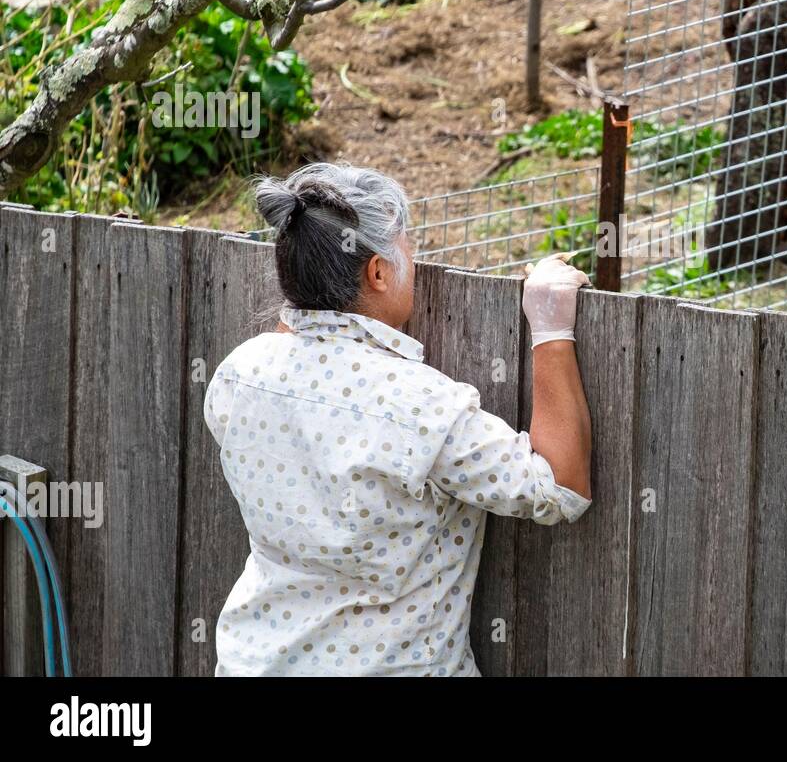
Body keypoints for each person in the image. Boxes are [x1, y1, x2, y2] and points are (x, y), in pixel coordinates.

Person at [203, 163, 593, 676]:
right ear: (379, 273)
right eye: (406, 247)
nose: (414, 257)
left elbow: (295, 350)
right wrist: (549, 325)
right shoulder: (423, 407)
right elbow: (559, 487)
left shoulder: (239, 376)